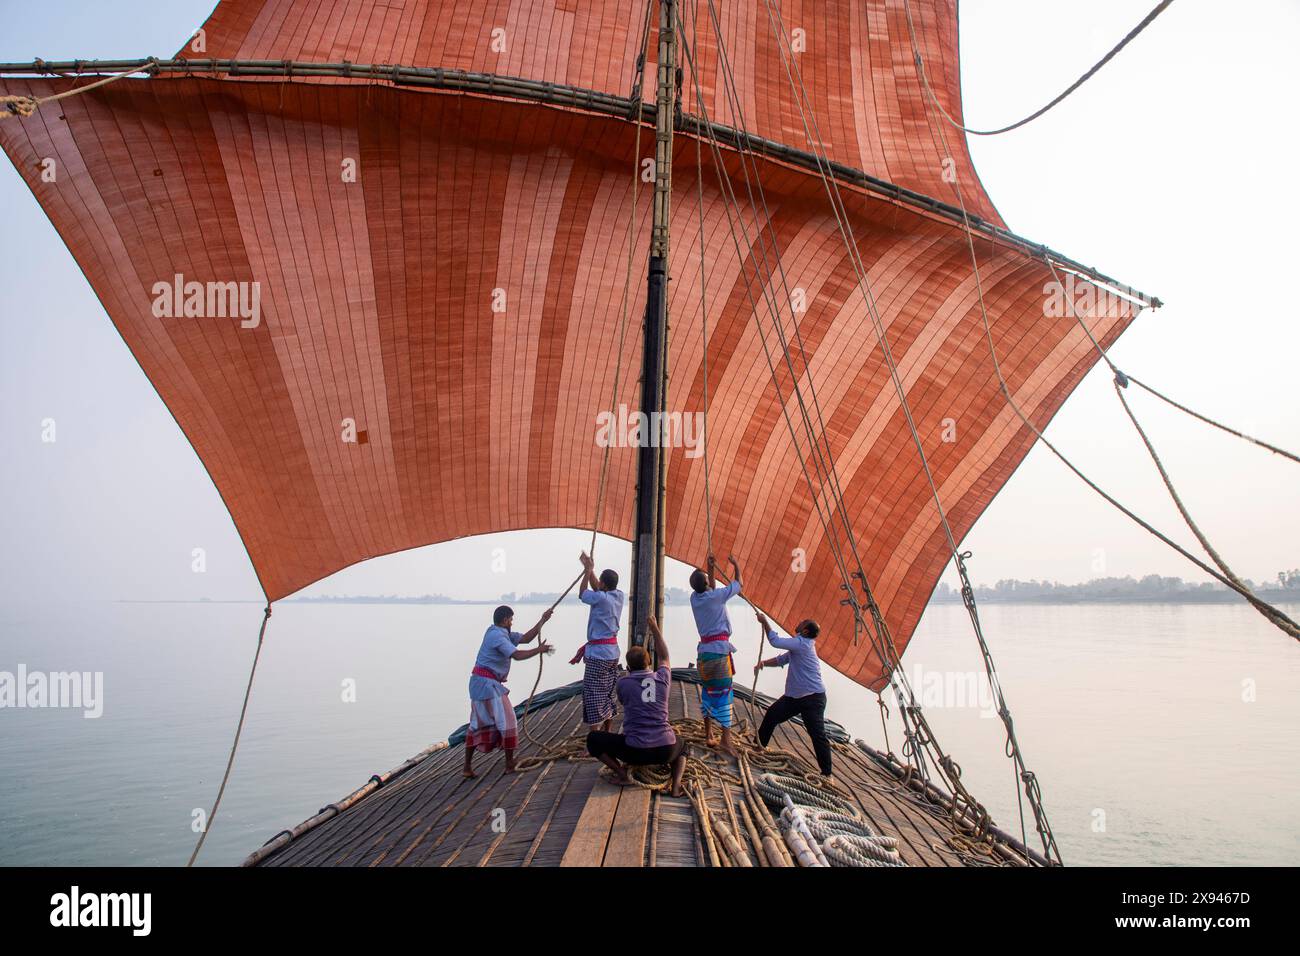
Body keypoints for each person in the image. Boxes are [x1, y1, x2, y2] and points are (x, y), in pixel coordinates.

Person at [586, 615, 687, 797]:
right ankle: (676, 785)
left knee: (593, 739)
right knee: (683, 745)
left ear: (629, 667)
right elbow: (664, 656)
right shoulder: (663, 678)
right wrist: (655, 628)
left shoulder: (623, 683)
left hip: (635, 751)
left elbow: (624, 702)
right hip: (666, 749)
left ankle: (622, 773)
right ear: (649, 663)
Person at [464, 604, 553, 777]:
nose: (512, 622)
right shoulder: (497, 636)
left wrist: (543, 620)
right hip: (487, 685)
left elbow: (526, 638)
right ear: (505, 620)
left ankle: (467, 767)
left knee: (477, 724)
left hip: (481, 684)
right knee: (509, 720)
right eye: (511, 619)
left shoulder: (498, 632)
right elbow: (517, 655)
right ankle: (509, 764)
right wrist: (539, 650)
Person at [752, 611, 833, 780]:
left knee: (817, 734)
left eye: (802, 622)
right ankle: (759, 747)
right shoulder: (800, 645)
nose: (799, 622)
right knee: (772, 715)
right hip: (796, 697)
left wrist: (764, 621)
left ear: (804, 631)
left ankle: (826, 774)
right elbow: (783, 659)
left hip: (812, 698)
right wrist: (764, 664)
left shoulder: (802, 644)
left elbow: (774, 641)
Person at [689, 553, 743, 756]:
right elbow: (739, 584)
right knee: (724, 695)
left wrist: (710, 569)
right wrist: (736, 564)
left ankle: (708, 734)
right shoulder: (716, 596)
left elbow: (708, 586)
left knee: (708, 692)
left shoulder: (695, 598)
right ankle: (726, 741)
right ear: (705, 584)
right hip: (719, 655)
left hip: (704, 656)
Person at [571, 551, 625, 732]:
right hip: (612, 653)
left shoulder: (601, 597)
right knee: (608, 691)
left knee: (594, 693)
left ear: (603, 584)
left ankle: (595, 739)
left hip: (599, 656)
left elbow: (583, 593)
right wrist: (591, 569)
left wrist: (587, 572)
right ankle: (607, 732)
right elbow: (598, 588)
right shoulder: (618, 596)